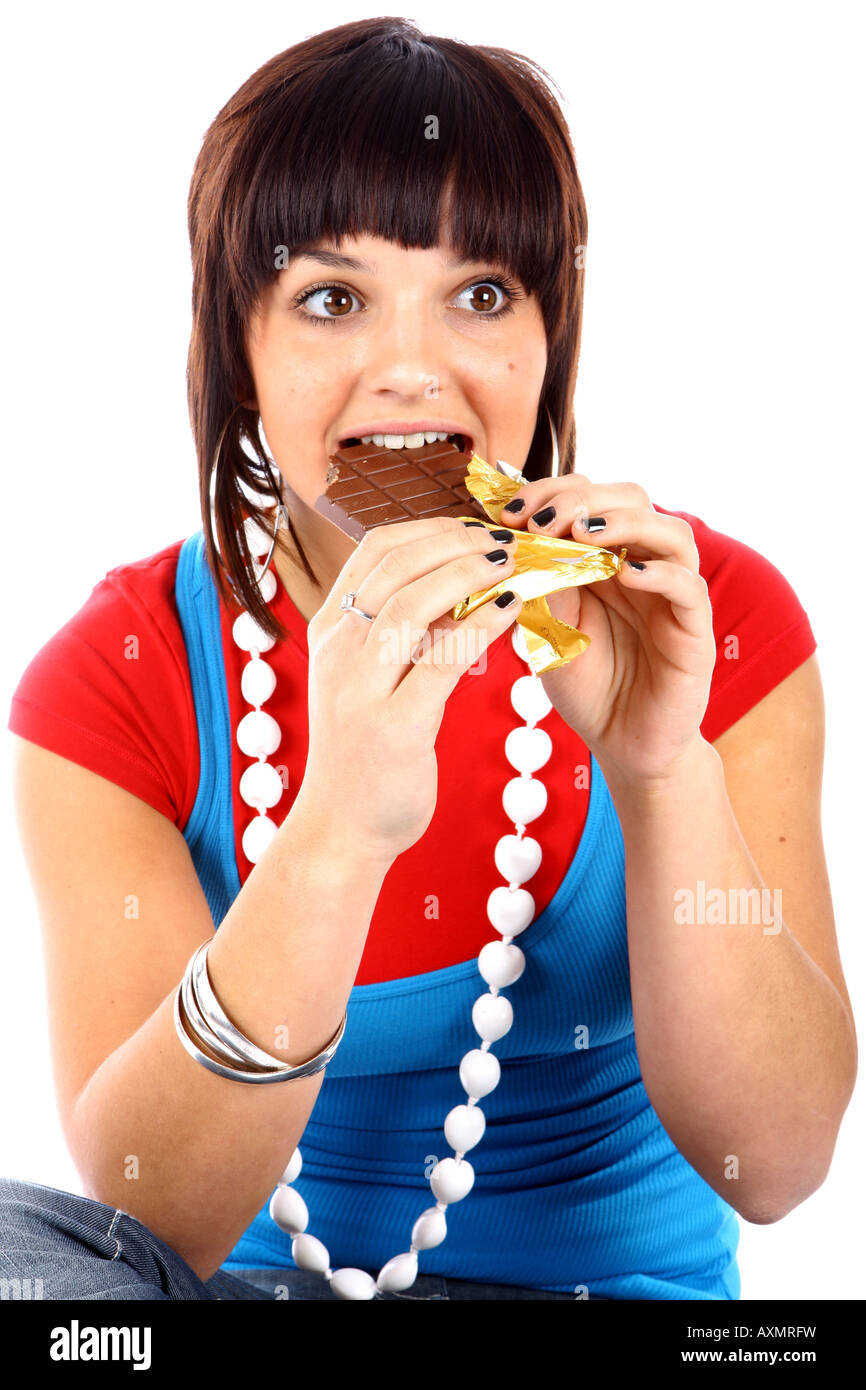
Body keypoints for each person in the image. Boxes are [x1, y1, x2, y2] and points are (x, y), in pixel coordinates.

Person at [1, 17, 856, 1302]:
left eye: (480, 293)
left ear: (548, 332)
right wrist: (338, 825)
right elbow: (141, 1222)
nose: (411, 370)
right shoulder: (117, 672)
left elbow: (779, 1167)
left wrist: (662, 769)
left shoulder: (695, 614)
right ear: (236, 347)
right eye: (332, 299)